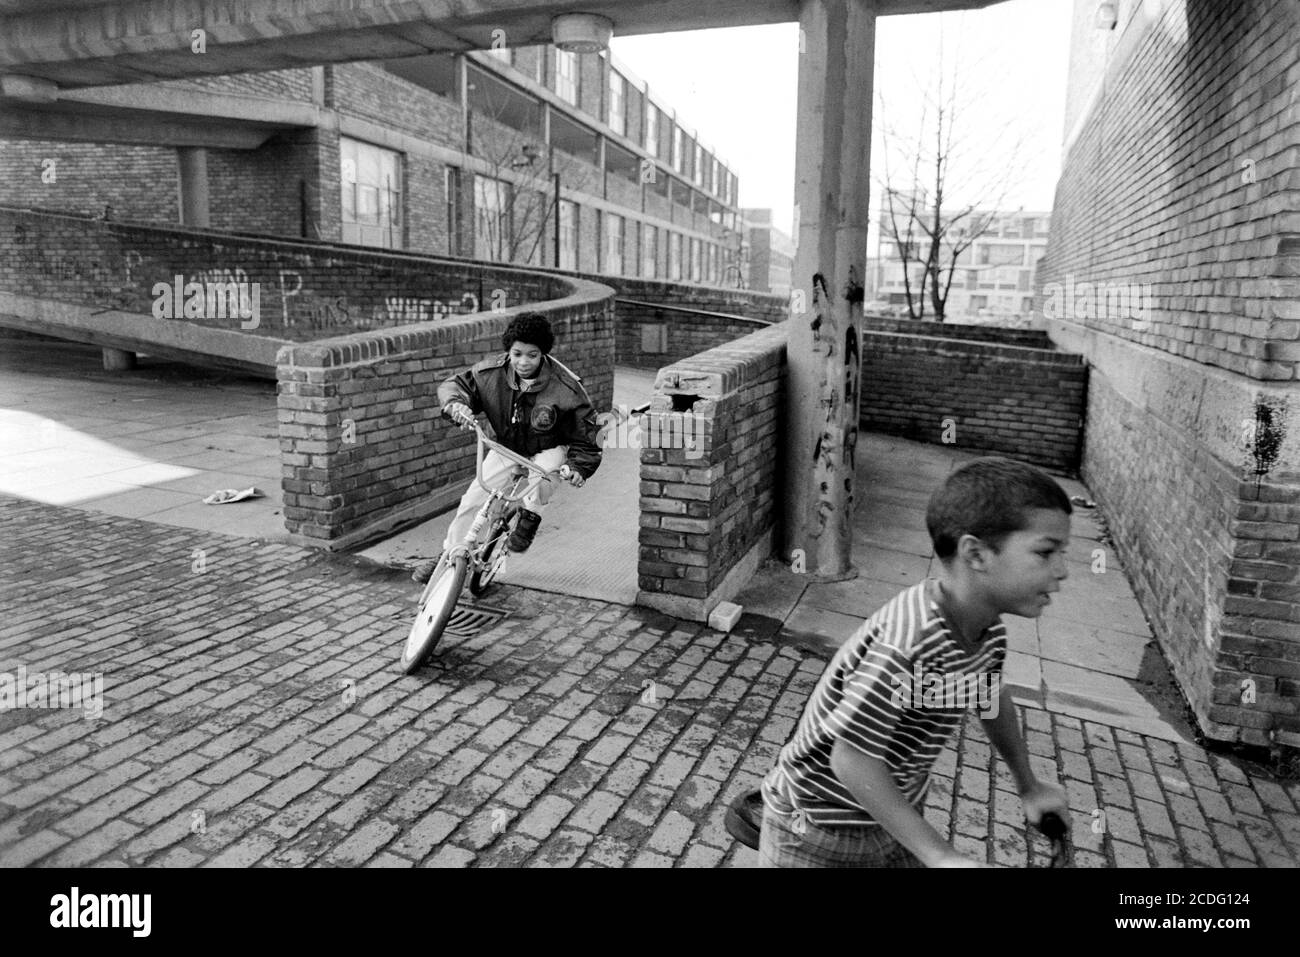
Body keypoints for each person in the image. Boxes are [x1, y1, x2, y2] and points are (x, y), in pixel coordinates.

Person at [750, 457, 1073, 867]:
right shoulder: (911, 642)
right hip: (818, 828)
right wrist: (940, 856)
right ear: (976, 553)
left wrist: (1028, 785)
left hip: (892, 814)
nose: (1062, 571)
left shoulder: (989, 631)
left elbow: (991, 698)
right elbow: (851, 758)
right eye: (1045, 553)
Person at [411, 313, 601, 583]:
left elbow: (588, 433)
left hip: (548, 446)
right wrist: (457, 404)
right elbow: (457, 385)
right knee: (472, 500)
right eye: (517, 353)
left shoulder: (566, 387)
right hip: (506, 446)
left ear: (543, 354)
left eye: (532, 355)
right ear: (508, 350)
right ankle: (449, 554)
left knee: (546, 474)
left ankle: (530, 516)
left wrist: (581, 466)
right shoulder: (490, 374)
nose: (523, 362)